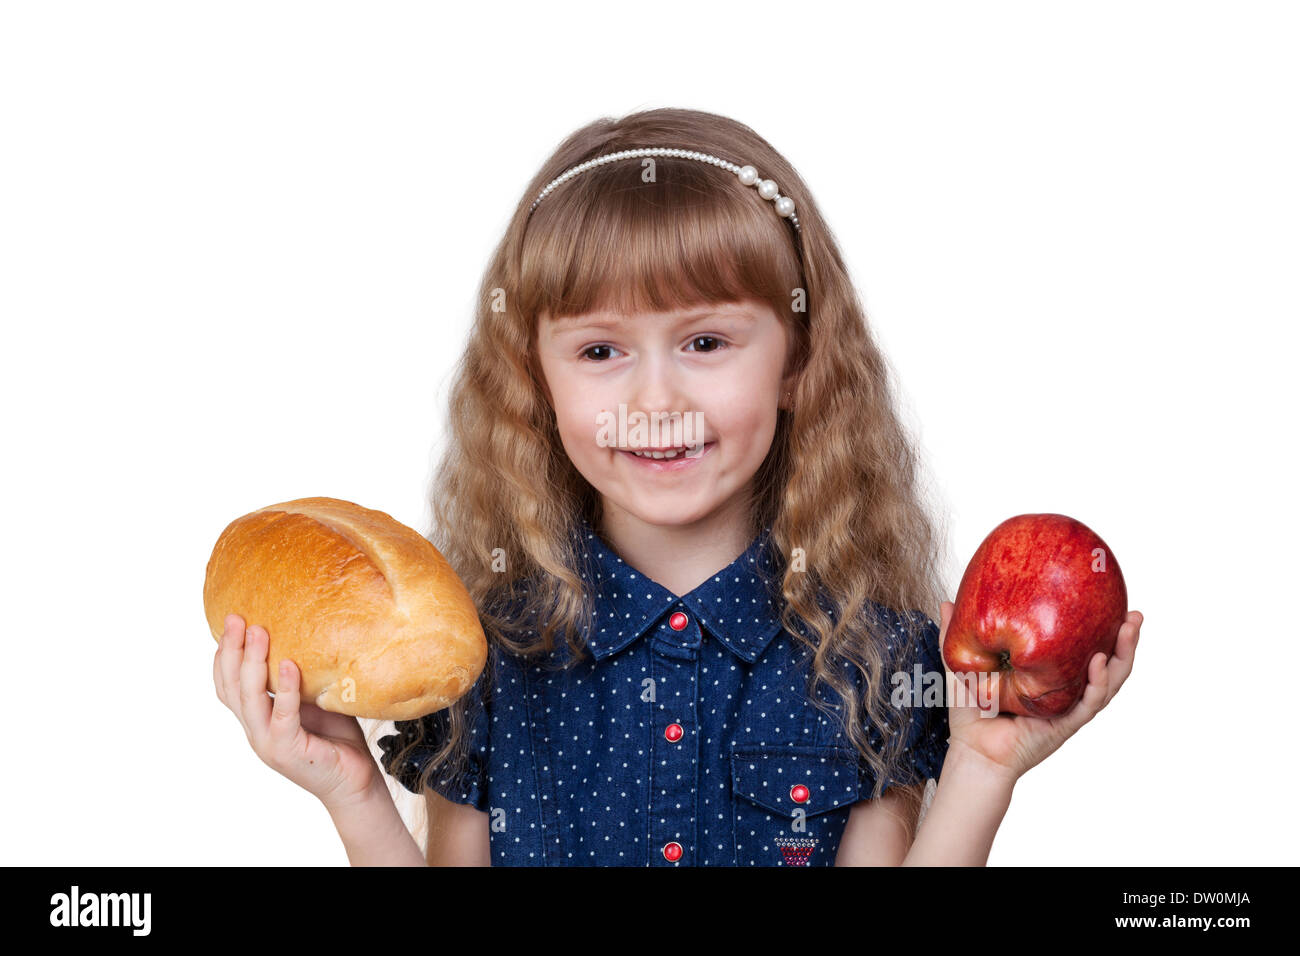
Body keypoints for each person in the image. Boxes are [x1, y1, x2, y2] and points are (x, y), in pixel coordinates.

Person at [213, 107, 1143, 866]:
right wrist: (352, 791)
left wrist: (982, 771)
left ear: (798, 362)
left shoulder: (872, 648)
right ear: (536, 379)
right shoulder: (487, 651)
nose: (655, 399)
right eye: (600, 350)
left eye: (705, 342)